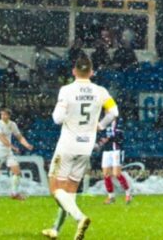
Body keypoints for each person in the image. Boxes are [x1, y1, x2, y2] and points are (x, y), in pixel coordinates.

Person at [41, 52, 115, 240]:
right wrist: (100, 125)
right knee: (70, 191)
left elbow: (57, 119)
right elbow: (114, 112)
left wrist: (69, 116)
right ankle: (56, 230)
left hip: (67, 145)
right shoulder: (101, 91)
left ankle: (79, 217)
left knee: (55, 188)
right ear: (91, 72)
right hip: (86, 146)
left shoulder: (67, 90)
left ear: (74, 71)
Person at [0, 107, 33, 200]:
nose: (3, 116)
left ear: (9, 115)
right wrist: (13, 147)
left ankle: (14, 193)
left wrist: (26, 144)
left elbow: (19, 136)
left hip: (8, 152)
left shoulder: (12, 124)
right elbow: (2, 138)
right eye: (1, 114)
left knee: (17, 171)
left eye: (5, 114)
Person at [98, 102, 133, 203]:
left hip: (116, 150)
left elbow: (119, 136)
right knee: (106, 174)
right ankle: (111, 196)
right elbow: (100, 134)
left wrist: (107, 139)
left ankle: (128, 194)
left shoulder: (118, 121)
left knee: (117, 173)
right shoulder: (103, 122)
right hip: (107, 150)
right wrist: (101, 140)